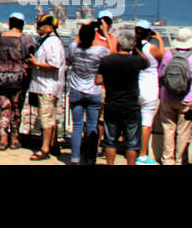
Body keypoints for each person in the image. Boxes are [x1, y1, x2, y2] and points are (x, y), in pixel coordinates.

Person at [96, 29, 148, 165]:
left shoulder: (106, 61)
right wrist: (137, 48)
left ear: (118, 44)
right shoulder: (136, 61)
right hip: (131, 106)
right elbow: (146, 62)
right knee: (132, 143)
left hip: (112, 104)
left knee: (110, 140)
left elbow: (97, 81)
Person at [157, 27, 192, 164]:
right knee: (183, 132)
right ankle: (180, 160)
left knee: (168, 129)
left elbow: (160, 74)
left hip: (167, 97)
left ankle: (167, 160)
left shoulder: (168, 54)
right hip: (187, 98)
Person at [0, 12, 35, 150]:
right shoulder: (25, 40)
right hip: (18, 79)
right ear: (21, 25)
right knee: (16, 109)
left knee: (4, 107)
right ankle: (14, 138)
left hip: (0, 78)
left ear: (9, 23)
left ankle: (3, 138)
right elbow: (30, 55)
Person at [65, 22, 109, 164]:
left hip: (76, 90)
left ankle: (75, 158)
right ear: (93, 37)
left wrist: (85, 28)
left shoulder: (73, 48)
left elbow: (75, 42)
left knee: (77, 126)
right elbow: (112, 52)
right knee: (92, 126)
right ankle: (91, 158)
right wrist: (105, 33)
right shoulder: (99, 51)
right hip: (94, 92)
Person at [28, 14, 65, 160]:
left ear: (49, 27)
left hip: (47, 86)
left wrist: (36, 63)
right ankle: (53, 144)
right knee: (51, 116)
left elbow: (54, 64)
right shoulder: (49, 41)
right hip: (46, 85)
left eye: (40, 25)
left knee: (46, 117)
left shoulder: (52, 43)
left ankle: (45, 149)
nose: (37, 28)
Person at [134, 20, 165, 164]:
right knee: (146, 123)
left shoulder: (131, 48)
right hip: (150, 88)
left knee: (134, 121)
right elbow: (163, 56)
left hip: (135, 87)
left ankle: (132, 150)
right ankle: (142, 155)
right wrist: (159, 39)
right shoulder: (152, 48)